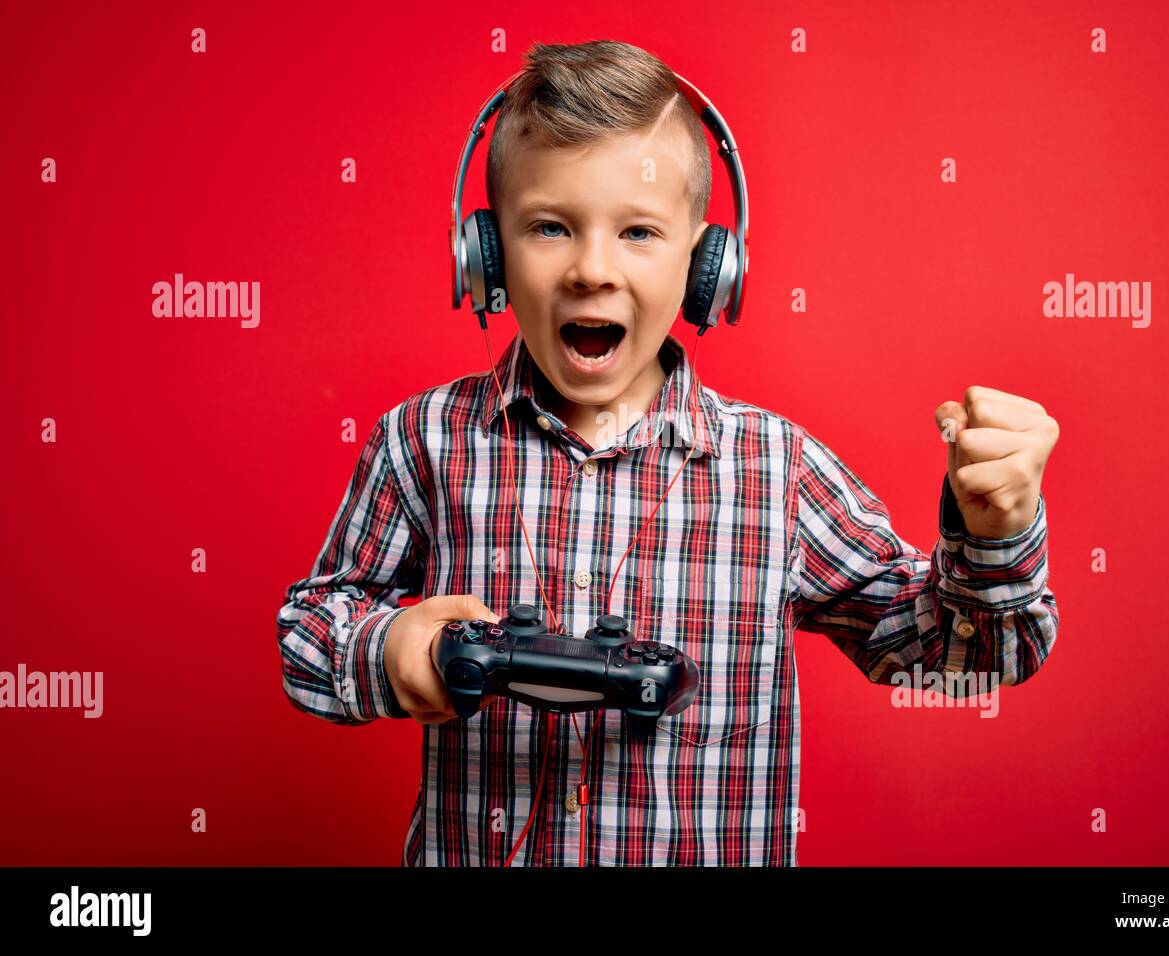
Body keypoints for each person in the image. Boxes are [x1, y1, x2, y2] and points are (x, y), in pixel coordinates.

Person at [275, 39, 1061, 866]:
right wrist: (392, 650)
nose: (592, 269)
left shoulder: (774, 470)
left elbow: (967, 657)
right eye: (549, 227)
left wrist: (993, 535)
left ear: (707, 267)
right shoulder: (425, 441)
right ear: (488, 255)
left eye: (639, 232)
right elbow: (307, 635)